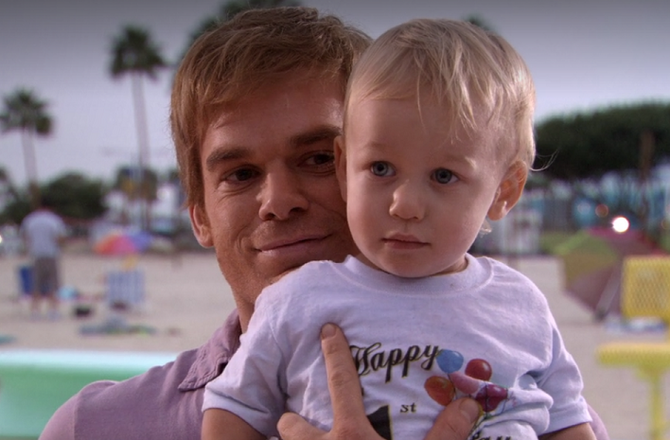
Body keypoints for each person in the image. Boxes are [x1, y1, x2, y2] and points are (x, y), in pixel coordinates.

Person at [40, 7, 609, 440]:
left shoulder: (523, 386)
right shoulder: (95, 428)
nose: (279, 201)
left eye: (315, 159)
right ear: (200, 217)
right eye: (239, 174)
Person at [201, 18, 595, 440]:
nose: (404, 204)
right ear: (344, 168)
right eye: (381, 168)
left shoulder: (520, 305)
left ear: (504, 191)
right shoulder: (297, 300)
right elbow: (232, 410)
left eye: (443, 176)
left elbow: (568, 423)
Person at [20, 196, 67, 319]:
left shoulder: (30, 219)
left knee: (36, 284)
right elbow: (60, 237)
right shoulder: (54, 220)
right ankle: (53, 310)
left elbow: (25, 236)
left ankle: (35, 311)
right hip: (51, 254)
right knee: (52, 283)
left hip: (36, 254)